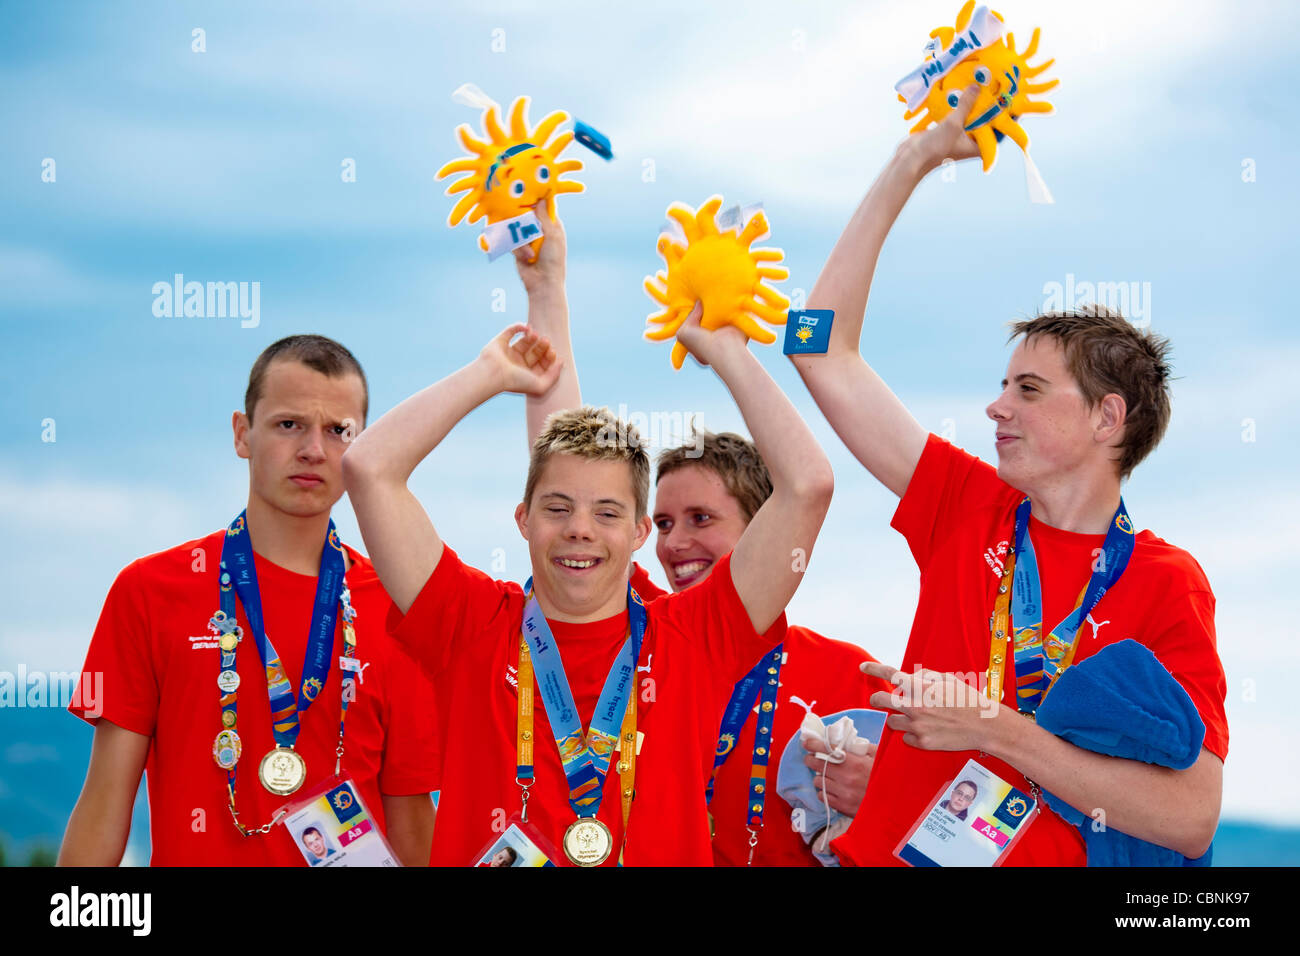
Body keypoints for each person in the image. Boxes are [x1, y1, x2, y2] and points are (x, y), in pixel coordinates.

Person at [789, 85, 1228, 866]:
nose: (995, 409)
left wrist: (991, 729)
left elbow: (1191, 819)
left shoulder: (1167, 582)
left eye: (1027, 390)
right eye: (1001, 387)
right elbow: (817, 348)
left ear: (1106, 419)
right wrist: (914, 158)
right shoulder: (966, 506)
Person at [342, 297, 834, 865]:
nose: (580, 530)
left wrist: (726, 354)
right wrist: (489, 375)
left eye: (606, 512)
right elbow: (369, 468)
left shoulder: (695, 636)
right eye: (557, 509)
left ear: (640, 530)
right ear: (522, 519)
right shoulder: (471, 621)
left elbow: (808, 485)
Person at [516, 209, 890, 866]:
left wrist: (881, 797)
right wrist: (546, 292)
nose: (672, 543)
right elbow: (565, 452)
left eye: (700, 519)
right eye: (660, 523)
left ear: (761, 529)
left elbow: (942, 818)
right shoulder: (646, 632)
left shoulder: (846, 674)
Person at [59, 336, 440, 867]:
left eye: (338, 431)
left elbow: (412, 820)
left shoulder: (397, 608)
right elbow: (105, 803)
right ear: (243, 434)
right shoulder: (149, 591)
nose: (313, 449)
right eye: (289, 425)